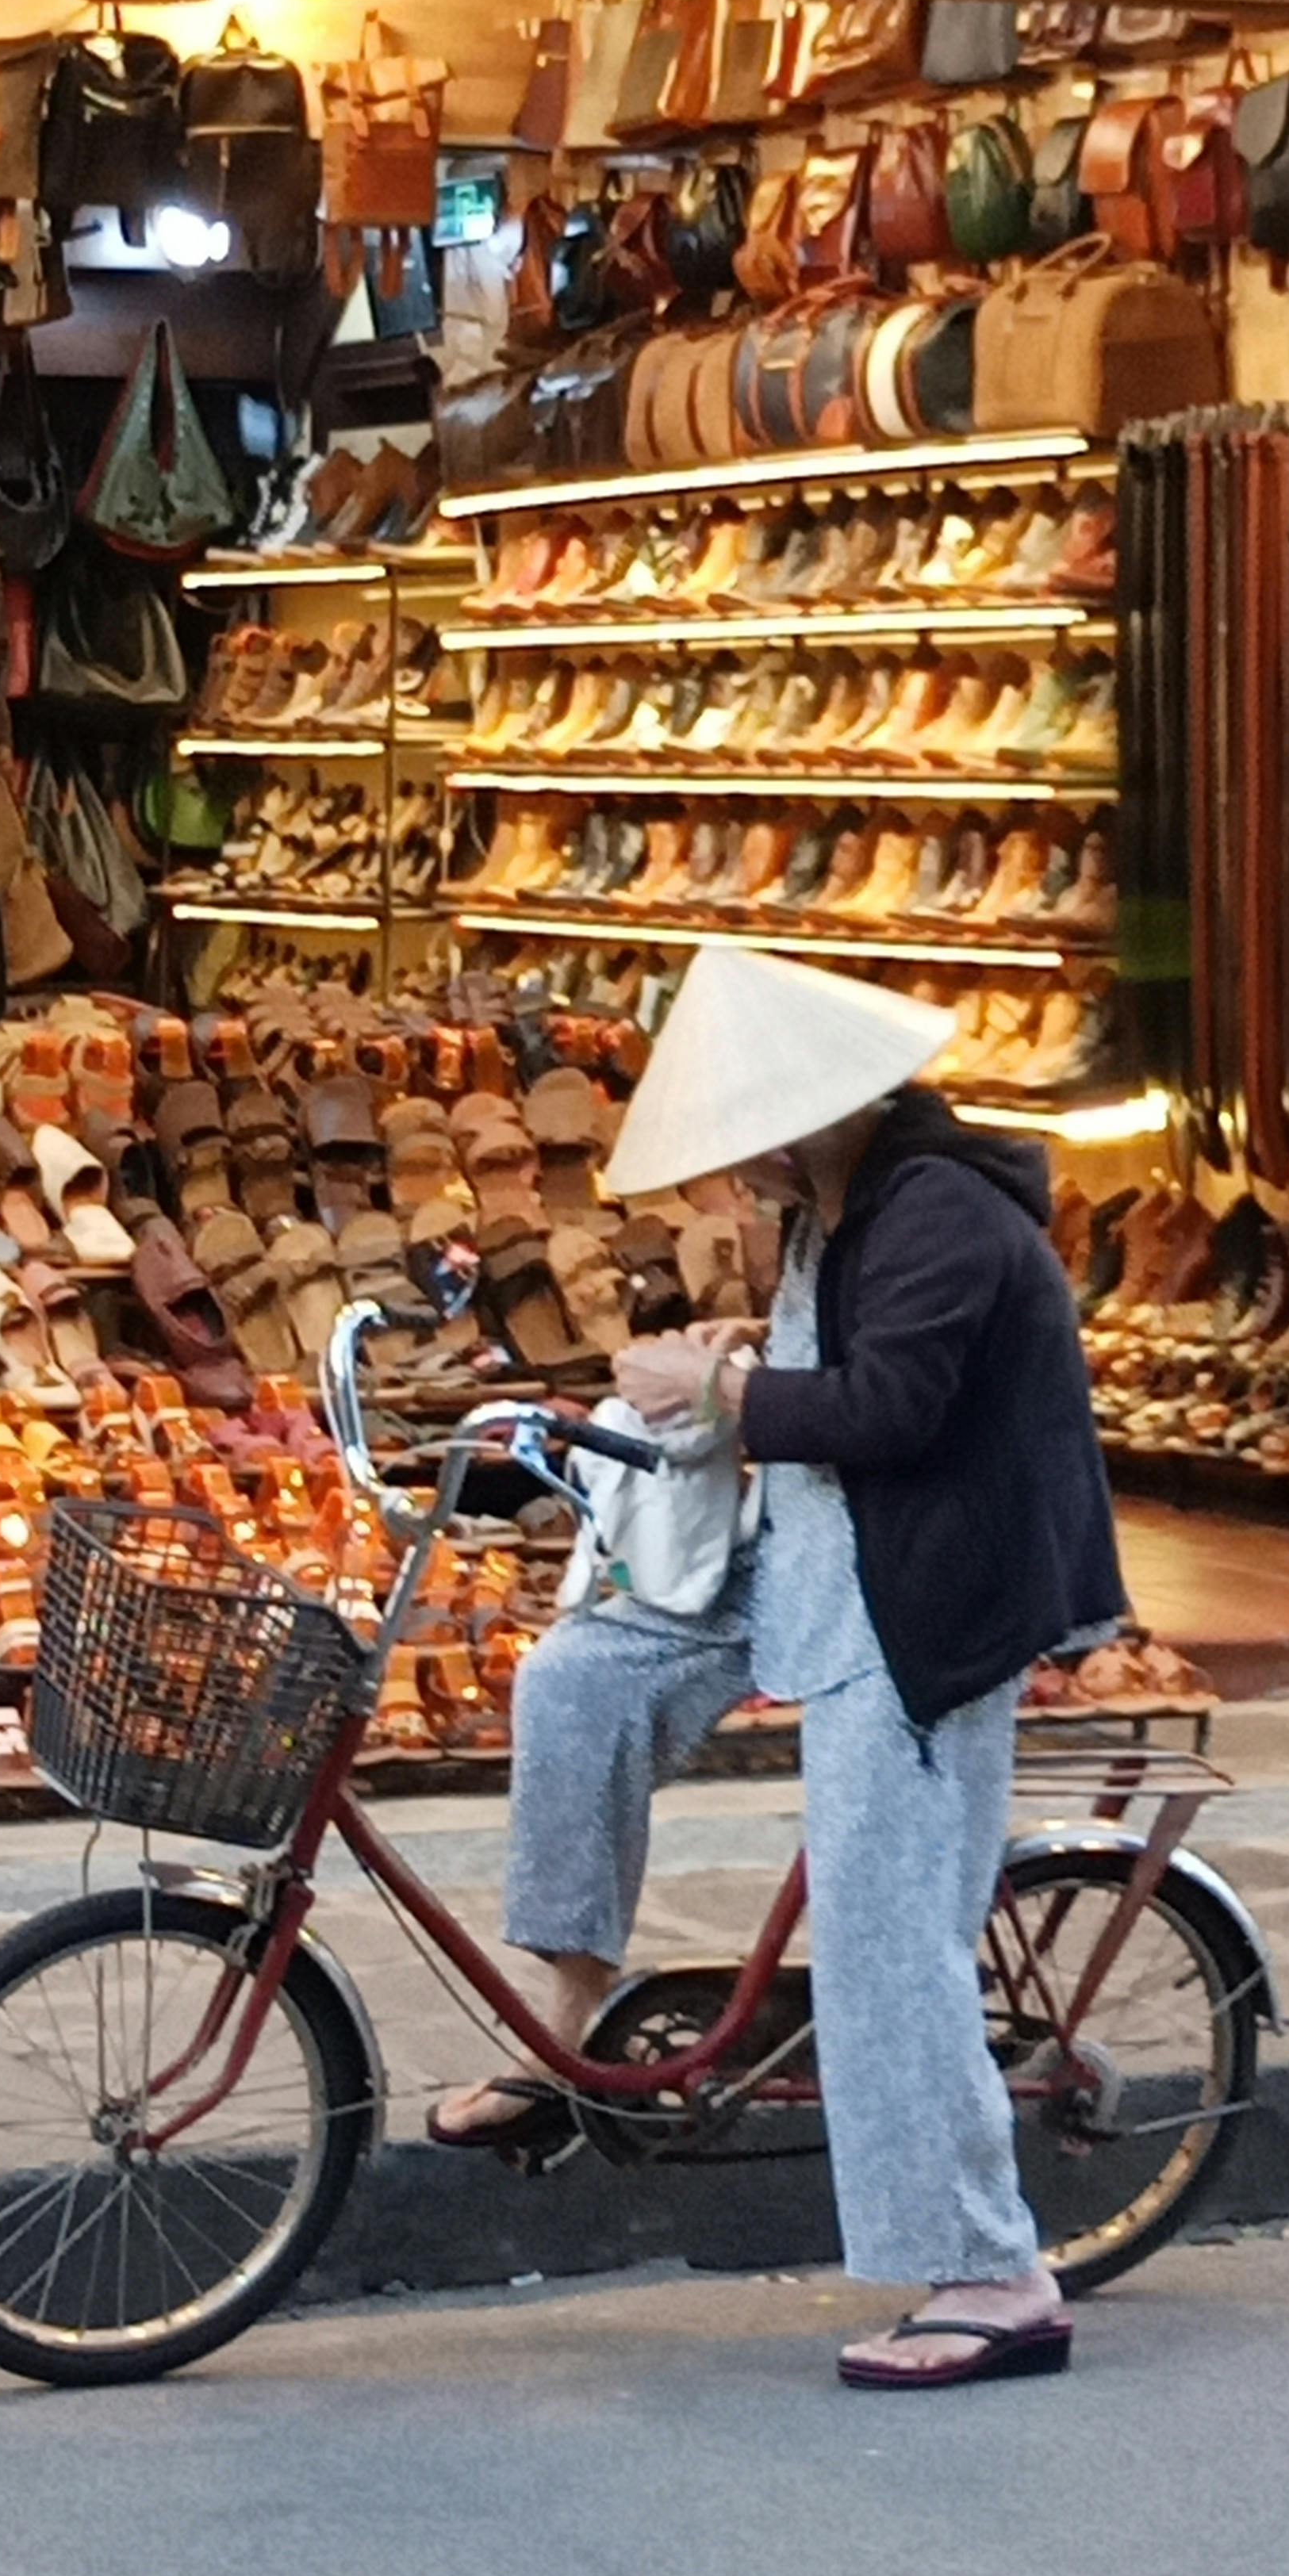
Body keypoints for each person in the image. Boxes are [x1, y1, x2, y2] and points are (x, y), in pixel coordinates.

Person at [430, 942, 1130, 2392]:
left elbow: (888, 1410)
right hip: (825, 1551)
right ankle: (564, 2014)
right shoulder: (841, 1207)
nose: (736, 1171)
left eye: (749, 1140)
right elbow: (850, 1378)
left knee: (883, 1934)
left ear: (806, 1116)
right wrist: (748, 1355)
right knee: (580, 1680)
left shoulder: (935, 1210)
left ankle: (994, 2272)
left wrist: (725, 1384)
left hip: (924, 1588)